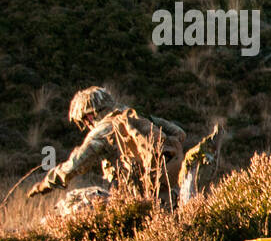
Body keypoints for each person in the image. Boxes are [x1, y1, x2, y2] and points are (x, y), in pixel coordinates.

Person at [29, 86, 186, 211]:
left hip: (133, 198)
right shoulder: (135, 115)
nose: (86, 125)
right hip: (168, 189)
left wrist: (45, 184)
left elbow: (75, 165)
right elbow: (179, 133)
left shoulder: (102, 131)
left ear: (89, 116)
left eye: (83, 121)